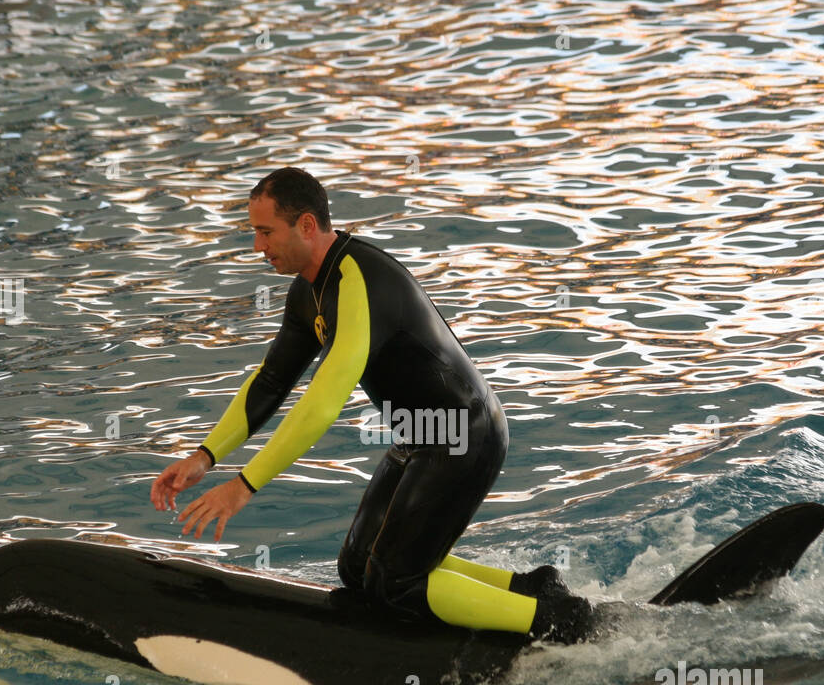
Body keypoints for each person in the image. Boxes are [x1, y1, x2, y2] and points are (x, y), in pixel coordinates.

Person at [149, 167, 593, 643]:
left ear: (305, 225)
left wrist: (243, 486)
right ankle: (530, 588)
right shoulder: (308, 292)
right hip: (420, 434)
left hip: (464, 433)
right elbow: (272, 381)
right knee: (359, 568)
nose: (258, 247)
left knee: (397, 584)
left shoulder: (356, 278)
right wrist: (205, 456)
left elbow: (322, 403)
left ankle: (557, 623)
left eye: (264, 232)